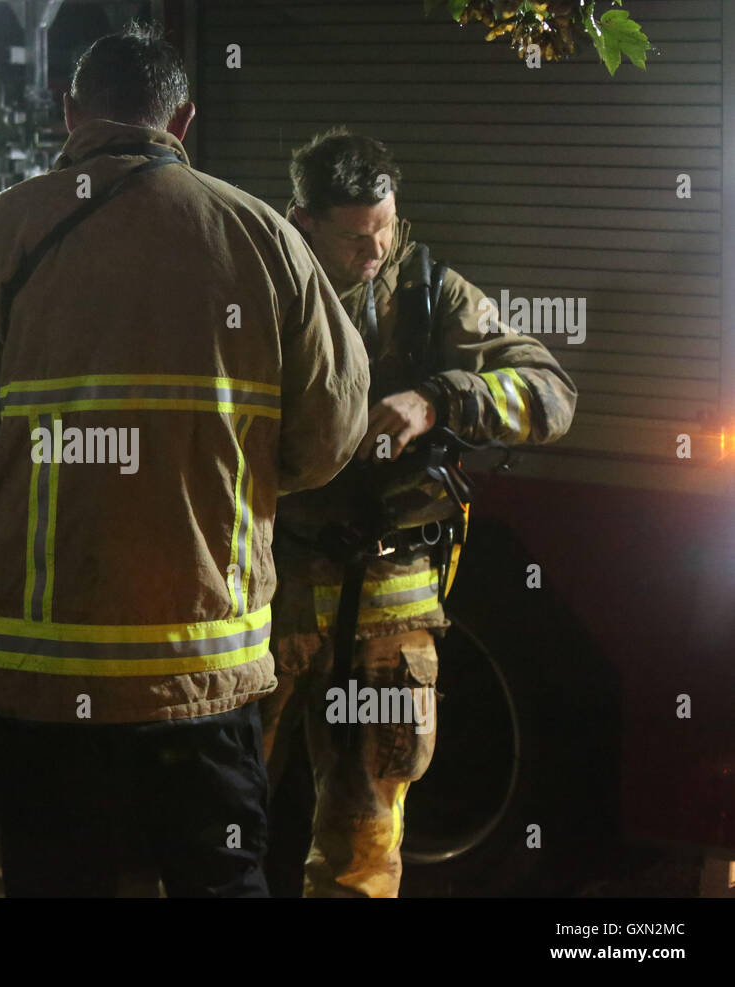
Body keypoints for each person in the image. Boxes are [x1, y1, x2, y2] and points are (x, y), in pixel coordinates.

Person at [0, 23, 369, 897]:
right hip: (201, 671)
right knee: (217, 880)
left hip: (43, 673)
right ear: (182, 120)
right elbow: (330, 433)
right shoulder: (266, 239)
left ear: (71, 110)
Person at [264, 126, 578, 897]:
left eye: (387, 228)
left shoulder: (428, 290)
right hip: (265, 603)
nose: (375, 252)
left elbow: (551, 392)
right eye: (356, 238)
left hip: (386, 606)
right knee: (217, 825)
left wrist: (441, 399)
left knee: (364, 847)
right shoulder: (256, 288)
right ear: (303, 223)